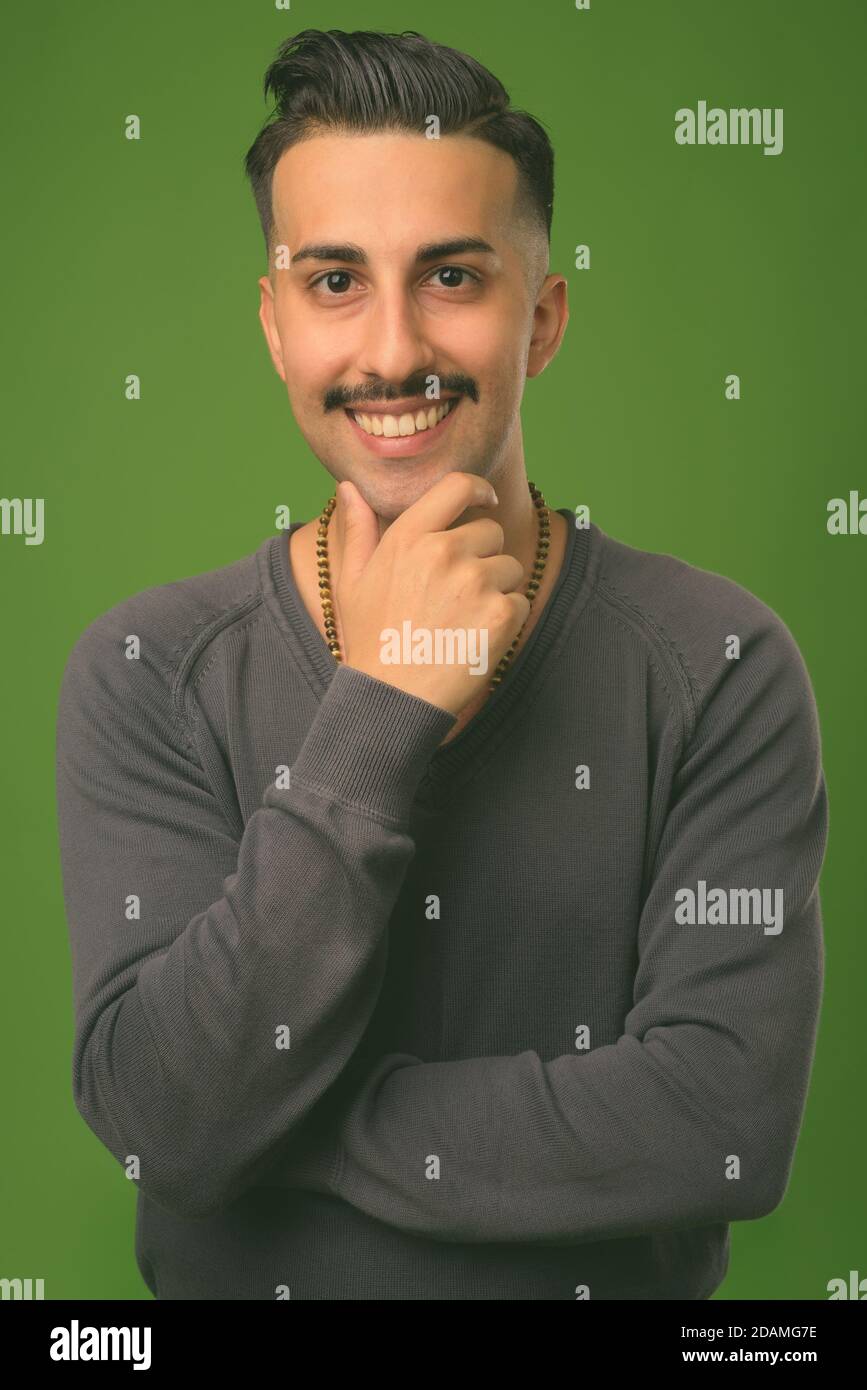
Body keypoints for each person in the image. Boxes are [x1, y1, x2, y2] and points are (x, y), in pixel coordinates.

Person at [55, 28, 827, 1301]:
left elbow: (720, 1121)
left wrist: (280, 1133)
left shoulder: (719, 664)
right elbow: (166, 1115)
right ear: (275, 322)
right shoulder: (148, 672)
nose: (393, 348)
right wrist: (382, 709)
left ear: (544, 319)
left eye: (454, 276)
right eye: (336, 281)